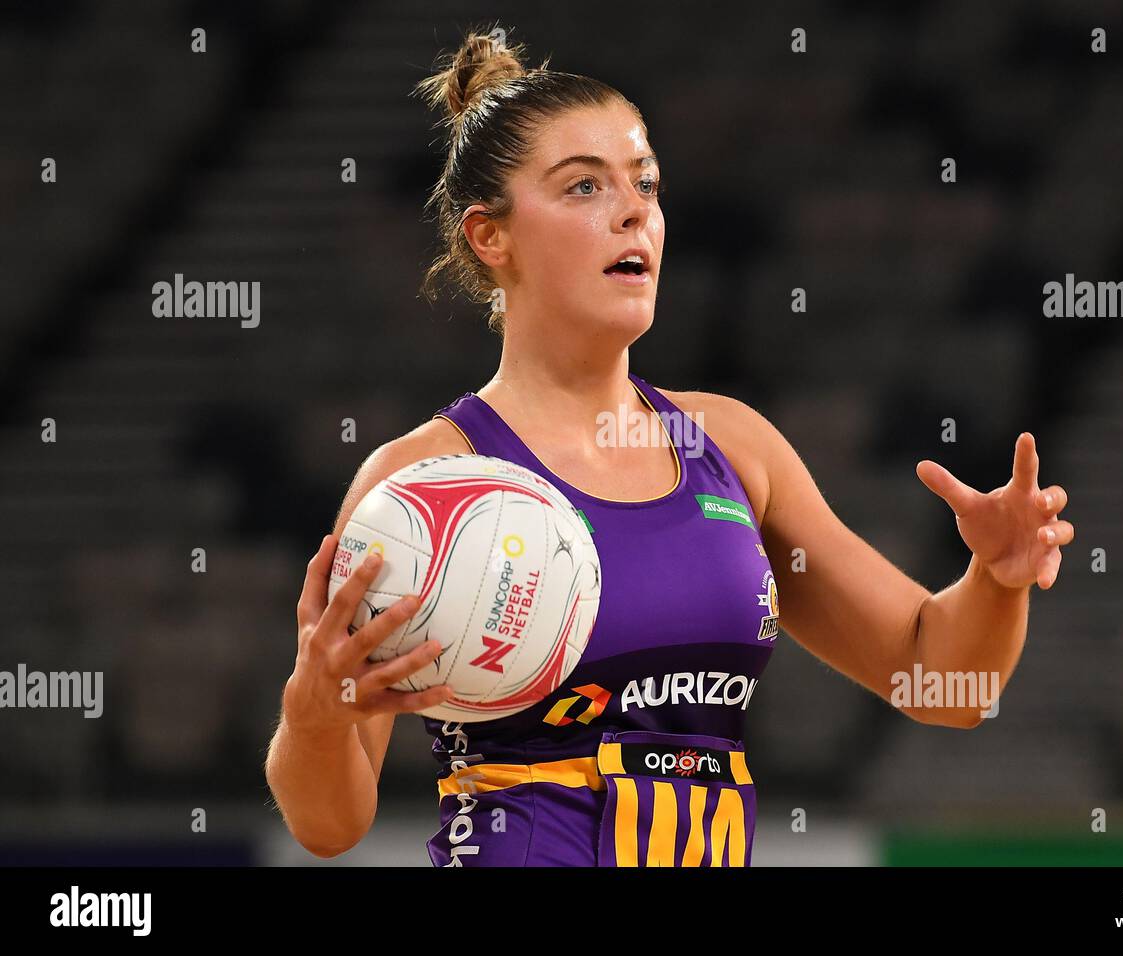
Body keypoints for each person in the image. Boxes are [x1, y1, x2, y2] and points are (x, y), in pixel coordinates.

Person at [264, 27, 1075, 867]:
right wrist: (314, 714)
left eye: (644, 184)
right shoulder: (422, 483)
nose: (632, 211)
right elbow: (329, 827)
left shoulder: (730, 443)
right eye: (584, 187)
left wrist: (997, 579)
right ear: (489, 236)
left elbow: (940, 680)